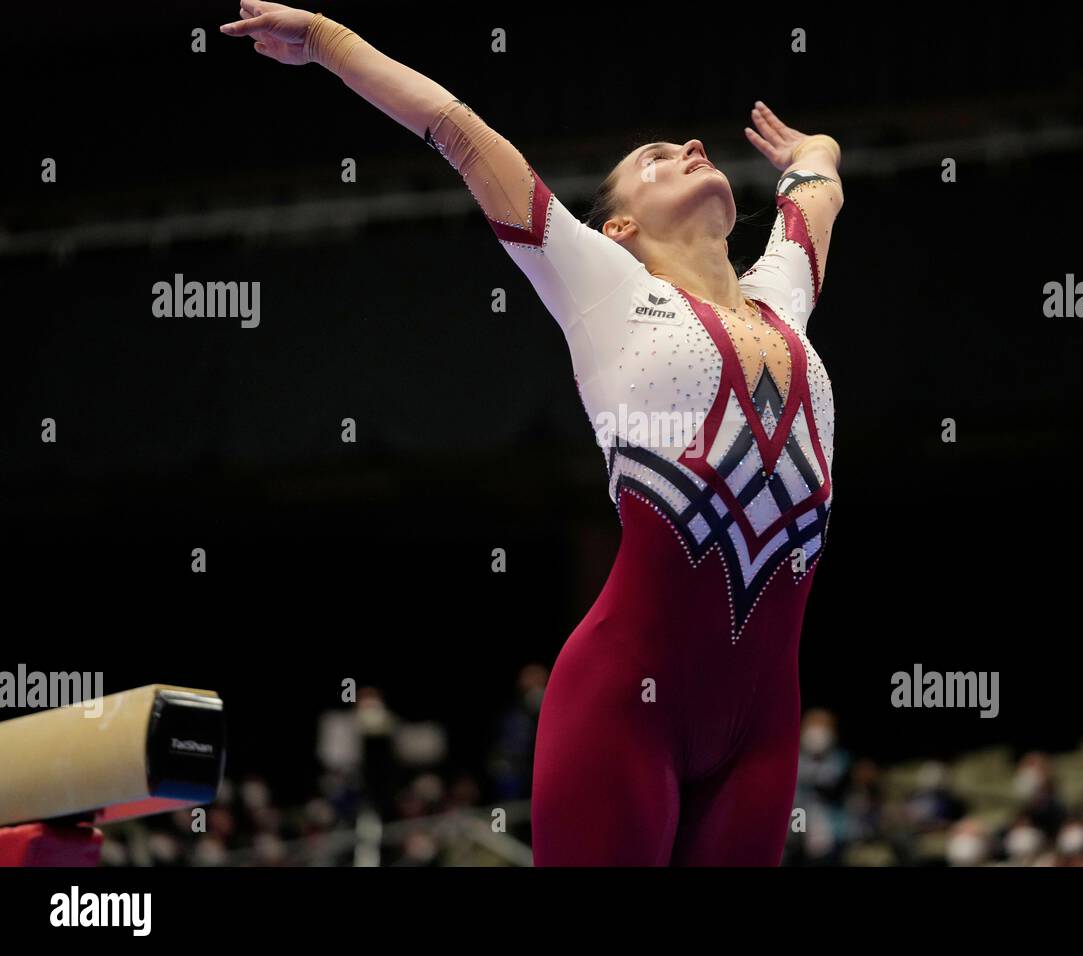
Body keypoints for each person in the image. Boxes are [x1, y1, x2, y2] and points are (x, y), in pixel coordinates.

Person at [222, 1, 844, 865]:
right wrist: (327, 41)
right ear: (617, 226)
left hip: (763, 731)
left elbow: (819, 192)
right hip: (625, 707)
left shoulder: (783, 297)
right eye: (656, 158)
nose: (691, 149)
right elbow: (459, 130)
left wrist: (814, 152)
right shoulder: (603, 282)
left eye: (691, 146)